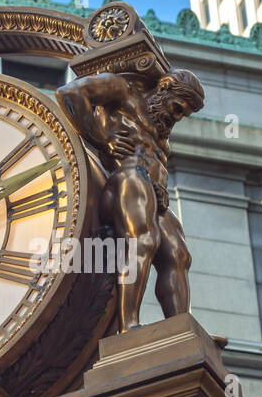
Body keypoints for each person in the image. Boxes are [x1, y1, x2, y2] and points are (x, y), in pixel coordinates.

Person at [57, 67, 205, 332]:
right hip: (123, 180)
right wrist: (102, 138)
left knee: (179, 255)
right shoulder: (122, 91)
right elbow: (69, 93)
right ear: (164, 88)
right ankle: (129, 325)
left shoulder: (163, 134)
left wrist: (161, 188)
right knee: (143, 240)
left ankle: (180, 331)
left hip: (151, 191)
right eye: (178, 107)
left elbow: (157, 165)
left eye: (184, 114)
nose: (177, 116)